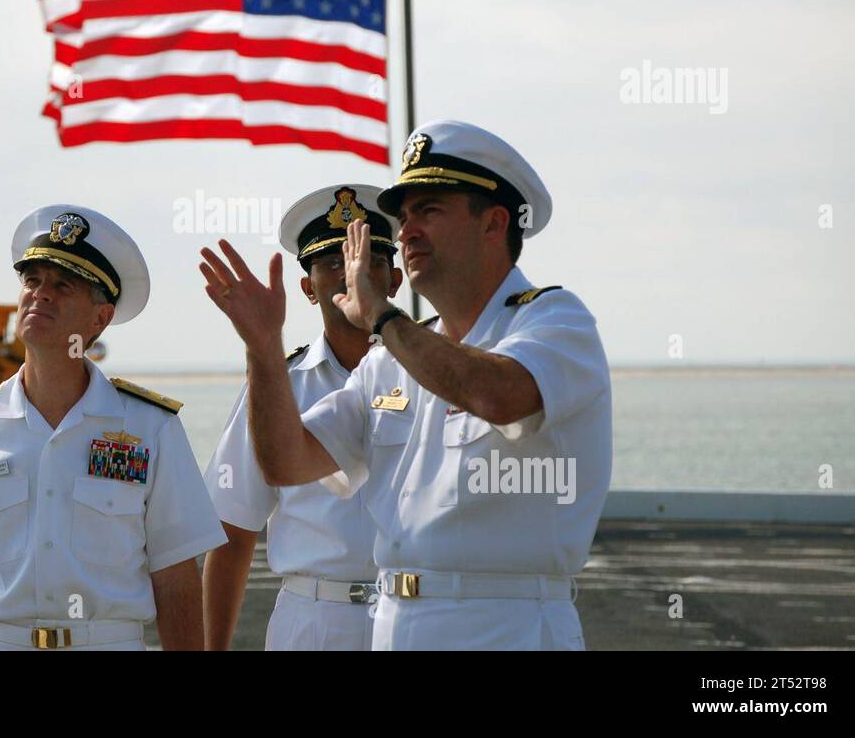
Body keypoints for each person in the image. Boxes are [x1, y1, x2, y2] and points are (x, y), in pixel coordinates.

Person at [199, 120, 612, 650]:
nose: (406, 231)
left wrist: (382, 319)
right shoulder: (390, 358)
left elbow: (498, 395)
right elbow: (286, 461)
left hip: (507, 627)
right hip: (397, 627)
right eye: (406, 215)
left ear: (494, 223)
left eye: (430, 210)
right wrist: (262, 348)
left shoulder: (556, 322)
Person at [0, 205, 227, 650]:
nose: (40, 294)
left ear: (100, 319)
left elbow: (175, 578)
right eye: (32, 281)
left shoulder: (151, 428)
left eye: (63, 285)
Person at [202, 184, 406, 650]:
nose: (350, 274)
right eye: (332, 264)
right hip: (314, 621)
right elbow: (234, 530)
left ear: (394, 280)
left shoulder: (430, 375)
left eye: (368, 259)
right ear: (307, 289)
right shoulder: (277, 385)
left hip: (417, 612)